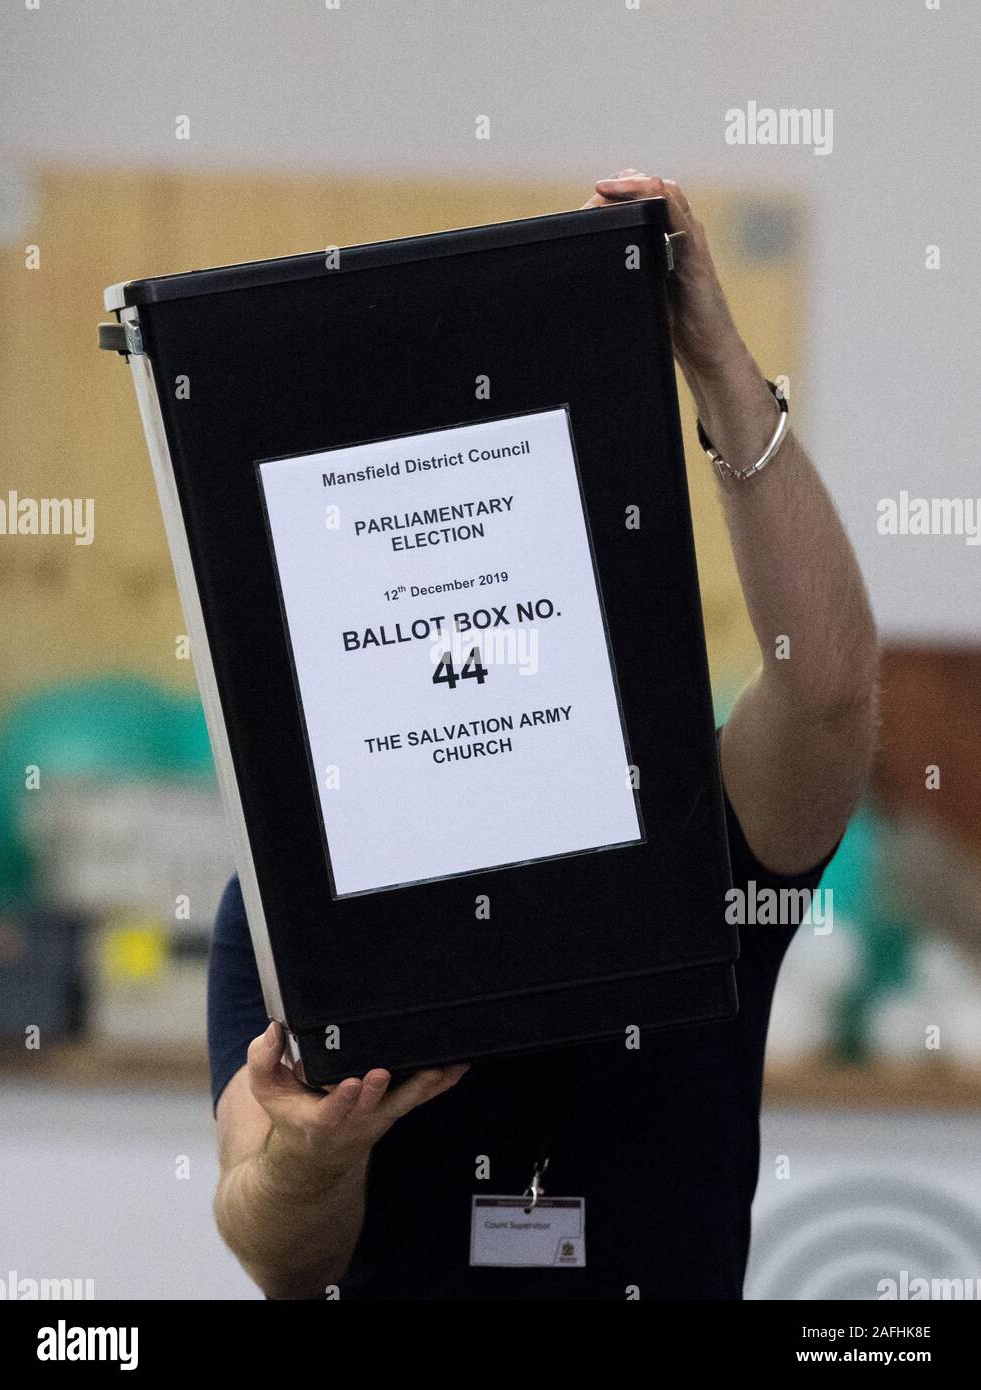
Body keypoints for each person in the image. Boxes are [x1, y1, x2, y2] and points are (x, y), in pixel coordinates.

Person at [208, 172, 879, 1300]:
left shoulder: (691, 837)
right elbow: (279, 1251)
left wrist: (715, 363)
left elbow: (822, 694)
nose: (460, 638)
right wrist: (310, 1155)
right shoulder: (292, 889)